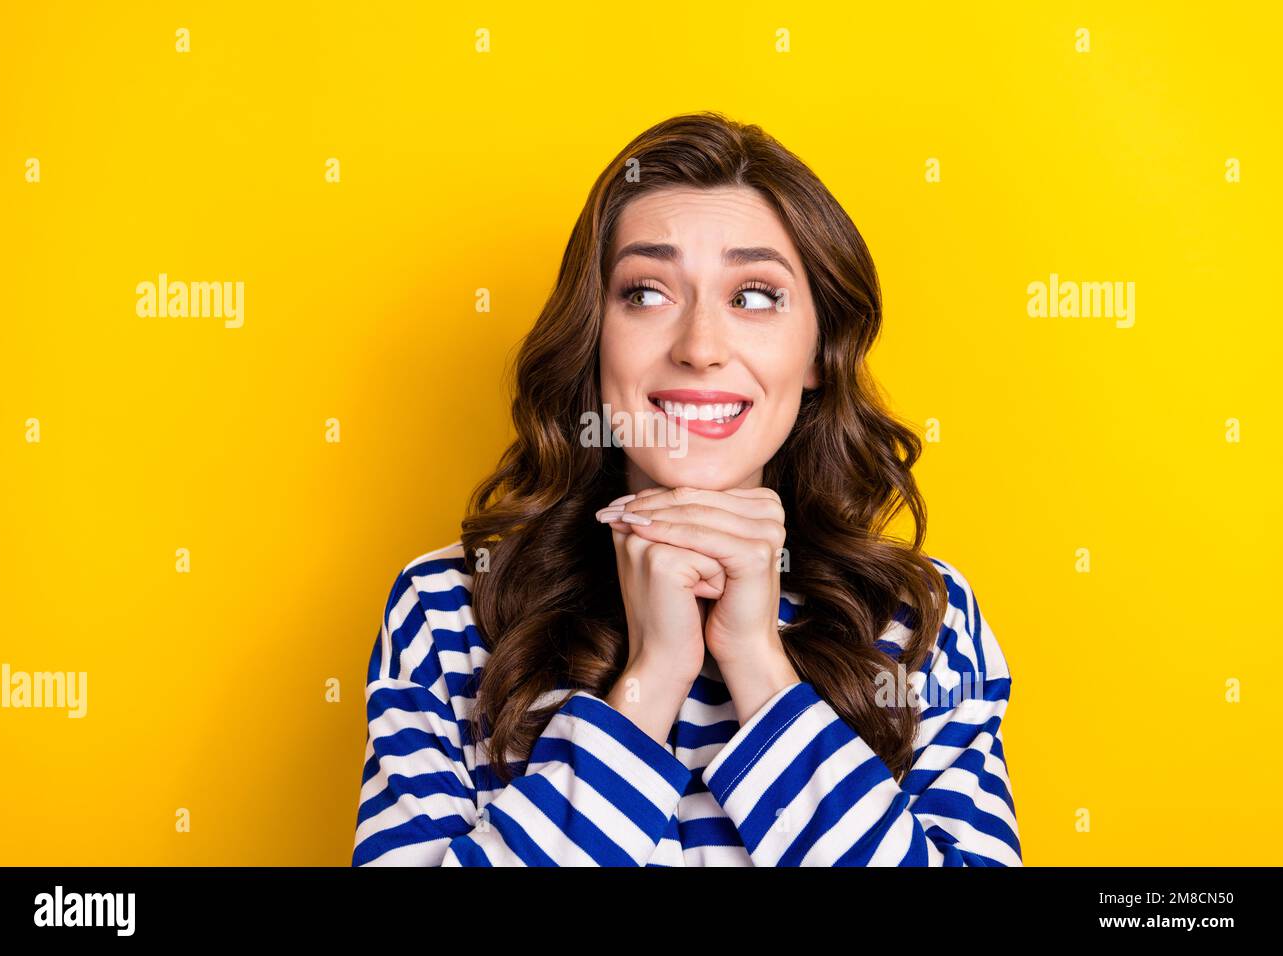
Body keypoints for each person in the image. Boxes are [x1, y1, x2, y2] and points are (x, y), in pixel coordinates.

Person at [351, 111, 1021, 866]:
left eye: (756, 296)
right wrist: (652, 679)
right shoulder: (448, 609)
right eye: (646, 292)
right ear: (592, 335)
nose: (700, 348)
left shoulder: (920, 622)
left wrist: (756, 663)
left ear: (817, 354)